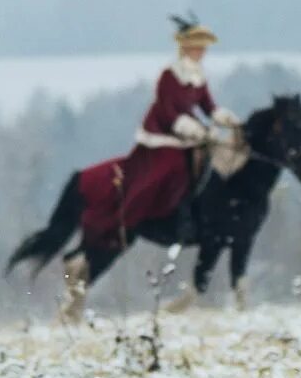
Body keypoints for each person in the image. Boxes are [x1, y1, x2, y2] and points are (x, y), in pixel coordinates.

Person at [79, 15, 240, 249]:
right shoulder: (170, 75)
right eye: (198, 47)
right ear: (186, 47)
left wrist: (223, 119)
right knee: (174, 167)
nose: (202, 52)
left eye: (203, 48)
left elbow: (207, 106)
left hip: (189, 134)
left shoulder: (199, 75)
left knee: (208, 163)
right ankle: (162, 214)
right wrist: (190, 128)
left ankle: (198, 212)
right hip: (163, 133)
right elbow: (167, 111)